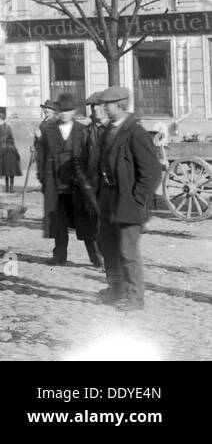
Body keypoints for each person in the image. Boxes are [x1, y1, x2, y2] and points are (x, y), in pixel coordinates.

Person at [91, 86, 163, 312]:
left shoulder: (135, 132)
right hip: (109, 200)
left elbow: (152, 172)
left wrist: (136, 199)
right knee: (108, 247)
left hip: (127, 203)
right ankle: (116, 290)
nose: (103, 108)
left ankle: (135, 298)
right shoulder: (110, 130)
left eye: (107, 104)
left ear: (121, 104)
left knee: (127, 251)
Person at [35, 94, 101, 267]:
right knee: (58, 223)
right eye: (61, 110)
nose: (64, 114)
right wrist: (43, 179)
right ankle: (59, 256)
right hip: (56, 185)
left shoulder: (83, 130)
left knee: (85, 222)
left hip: (78, 186)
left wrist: (87, 182)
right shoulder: (48, 130)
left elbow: (89, 157)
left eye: (67, 110)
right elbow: (41, 157)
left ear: (74, 111)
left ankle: (96, 257)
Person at [0, 111, 21, 192]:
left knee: (7, 165)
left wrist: (12, 147)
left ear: (0, 118)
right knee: (0, 163)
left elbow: (11, 138)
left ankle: (9, 186)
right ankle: (1, 176)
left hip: (6, 147)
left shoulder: (7, 127)